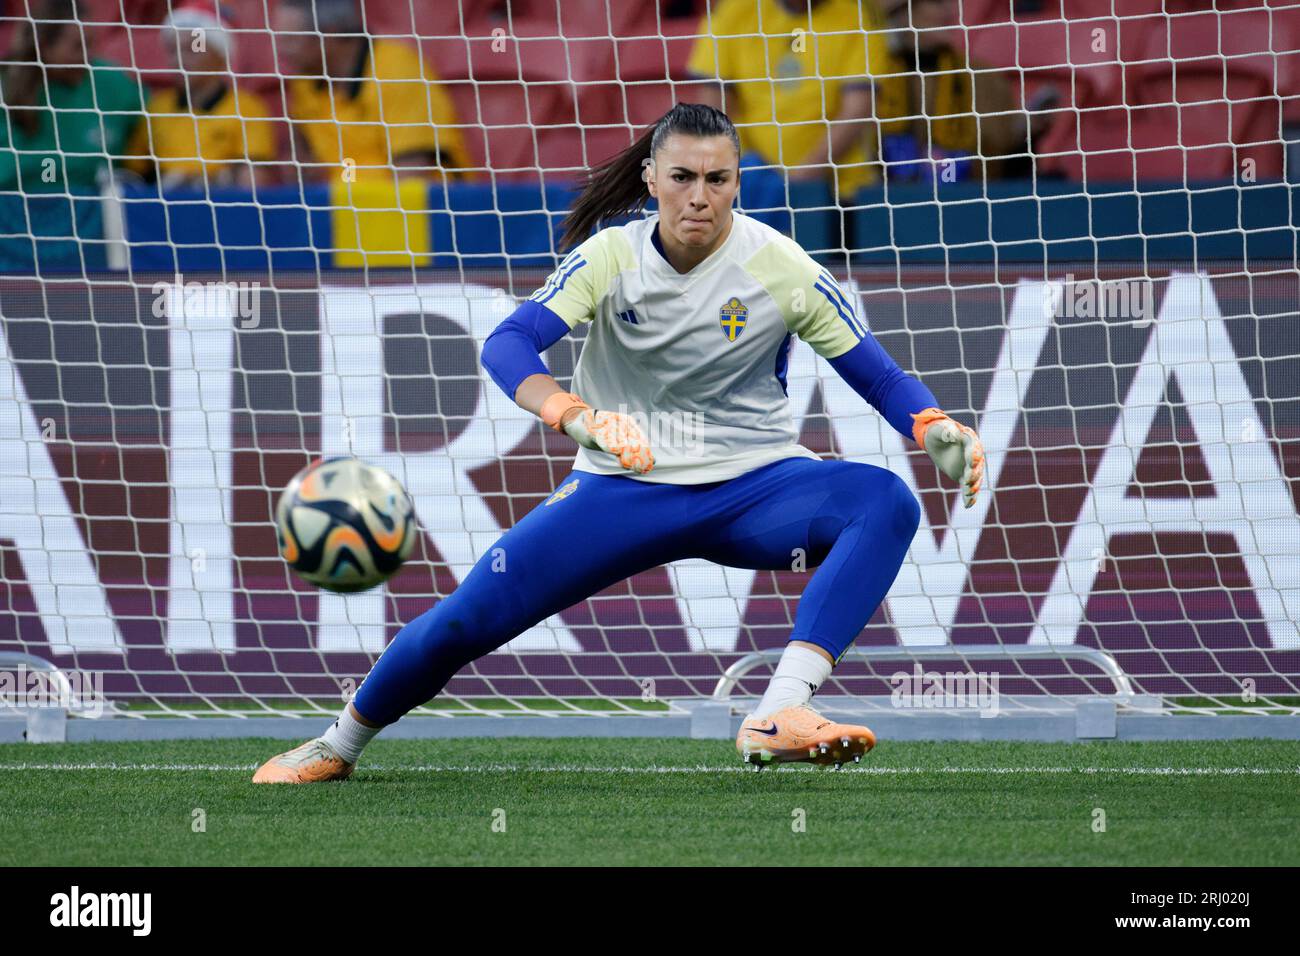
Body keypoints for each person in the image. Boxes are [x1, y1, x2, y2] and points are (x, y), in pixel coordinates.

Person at [251, 103, 985, 783]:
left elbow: (881, 378)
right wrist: (577, 415)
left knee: (884, 500)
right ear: (651, 180)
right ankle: (336, 745)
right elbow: (510, 344)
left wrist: (931, 426)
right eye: (684, 178)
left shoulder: (782, 267)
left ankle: (780, 710)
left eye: (718, 179)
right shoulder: (610, 257)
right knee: (465, 621)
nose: (700, 195)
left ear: (737, 184)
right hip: (619, 488)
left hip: (755, 487)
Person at [0, 0, 143, 269]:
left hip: (90, 230)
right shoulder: (6, 87)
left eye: (90, 43)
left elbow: (157, 125)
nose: (88, 55)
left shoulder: (111, 82)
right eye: (77, 46)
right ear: (44, 46)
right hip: (12, 229)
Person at [273, 0, 471, 185]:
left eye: (292, 40)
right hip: (340, 208)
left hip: (417, 212)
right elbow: (303, 163)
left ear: (330, 34)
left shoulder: (399, 72)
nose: (282, 51)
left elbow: (411, 178)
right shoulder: (304, 81)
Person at [871, 0, 1053, 182]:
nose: (951, 12)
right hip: (886, 200)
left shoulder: (981, 77)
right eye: (937, 3)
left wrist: (1027, 133)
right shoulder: (872, 79)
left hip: (969, 200)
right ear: (902, 12)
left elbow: (1005, 163)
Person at [125, 1, 279, 190]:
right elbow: (134, 174)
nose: (179, 60)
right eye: (173, 50)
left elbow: (253, 180)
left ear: (220, 57)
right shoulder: (156, 108)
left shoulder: (246, 109)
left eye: (192, 50)